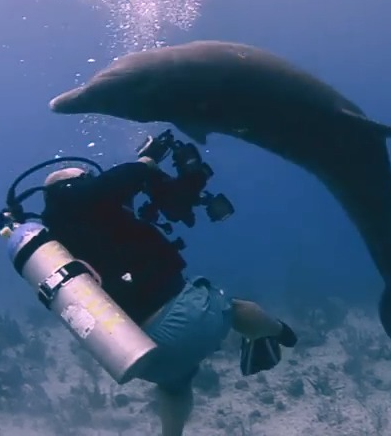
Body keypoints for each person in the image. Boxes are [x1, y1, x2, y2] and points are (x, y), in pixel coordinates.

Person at [37, 147, 298, 436]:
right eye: (85, 177)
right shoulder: (78, 196)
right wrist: (145, 164)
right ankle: (281, 333)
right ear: (73, 185)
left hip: (145, 354)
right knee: (235, 308)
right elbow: (110, 184)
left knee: (174, 388)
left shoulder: (55, 239)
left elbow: (108, 201)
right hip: (194, 317)